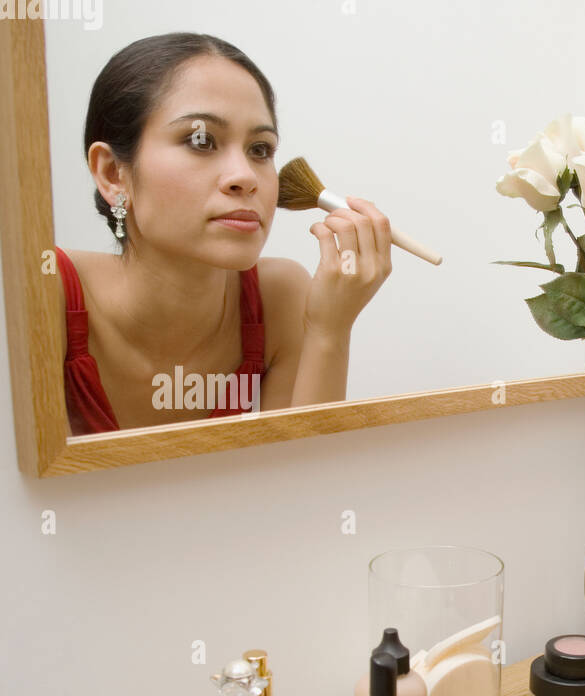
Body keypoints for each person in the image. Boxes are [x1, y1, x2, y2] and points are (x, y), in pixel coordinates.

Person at [56, 33, 391, 435]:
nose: (245, 177)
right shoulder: (47, 289)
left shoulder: (278, 296)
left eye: (260, 149)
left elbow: (302, 485)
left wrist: (330, 331)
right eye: (201, 140)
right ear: (113, 173)